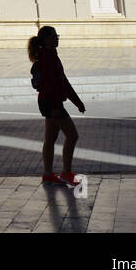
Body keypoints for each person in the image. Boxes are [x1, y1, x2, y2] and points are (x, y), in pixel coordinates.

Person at [29, 25, 86, 187]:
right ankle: (66, 173)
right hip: (52, 102)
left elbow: (63, 81)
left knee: (50, 139)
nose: (57, 38)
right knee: (72, 135)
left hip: (48, 102)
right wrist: (57, 106)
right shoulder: (47, 58)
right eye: (54, 36)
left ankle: (48, 174)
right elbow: (50, 84)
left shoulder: (50, 55)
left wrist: (77, 101)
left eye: (57, 35)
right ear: (46, 39)